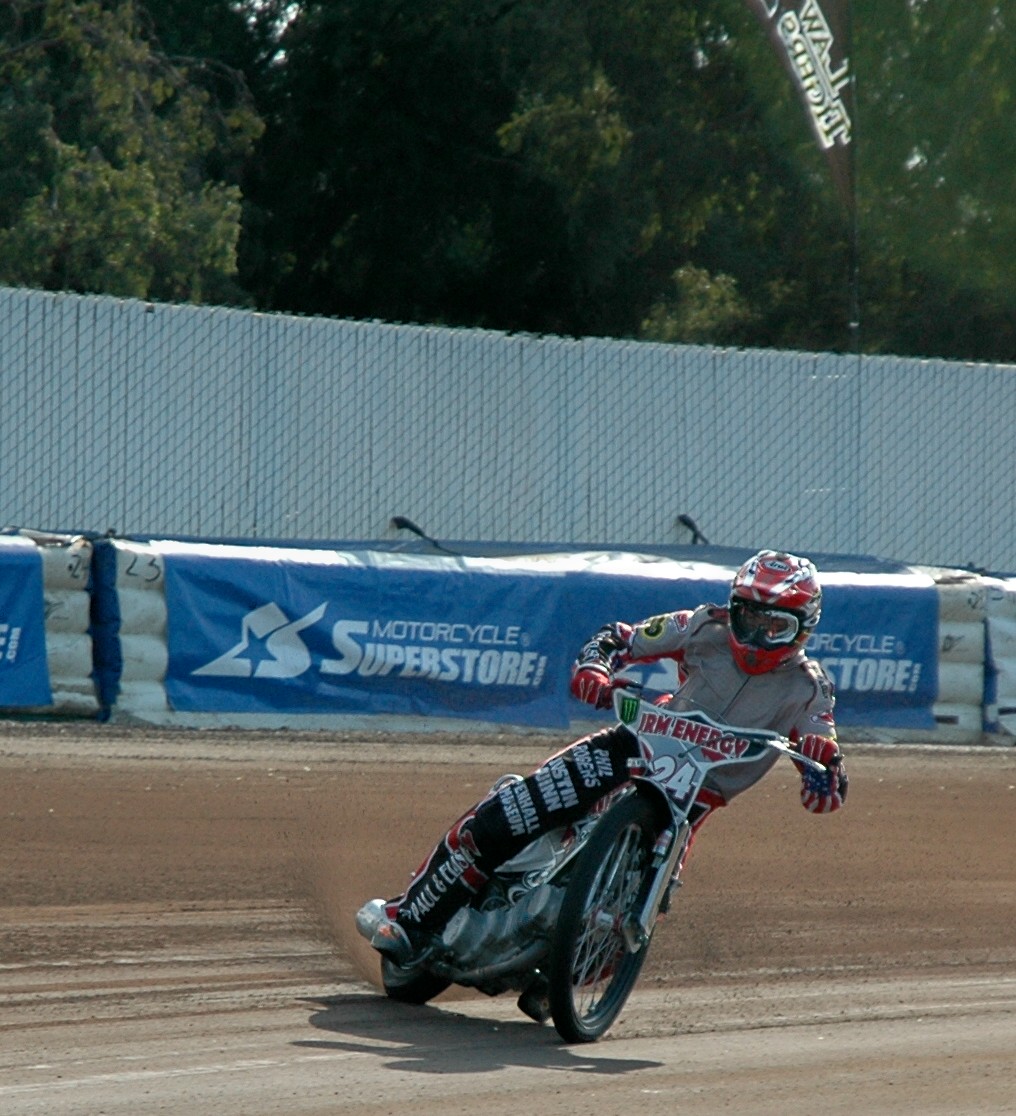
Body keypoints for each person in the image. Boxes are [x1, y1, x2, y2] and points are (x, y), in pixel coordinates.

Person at [357, 549, 847, 964]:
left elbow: (827, 778)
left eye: (774, 625)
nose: (756, 635)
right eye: (748, 616)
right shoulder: (703, 625)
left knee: (643, 916)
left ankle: (562, 976)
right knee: (513, 812)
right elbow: (619, 638)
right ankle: (410, 919)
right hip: (636, 745)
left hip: (693, 799)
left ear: (802, 629)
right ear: (732, 607)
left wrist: (820, 765)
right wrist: (594, 668)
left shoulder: (810, 689)